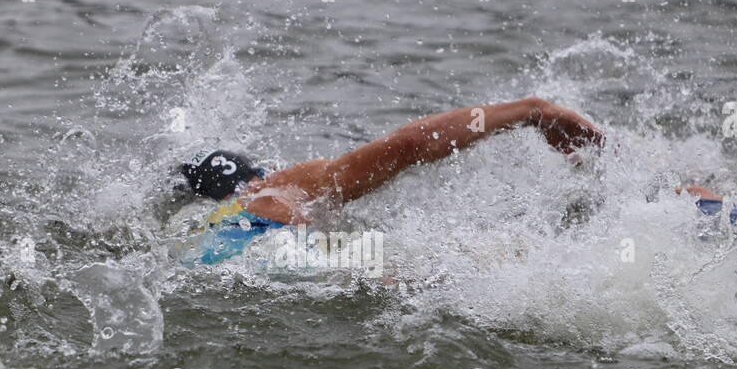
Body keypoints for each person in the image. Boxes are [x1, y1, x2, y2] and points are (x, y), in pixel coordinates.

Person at [171, 97, 606, 265]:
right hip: (296, 259)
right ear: (253, 176)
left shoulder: (194, 236)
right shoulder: (284, 185)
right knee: (489, 259)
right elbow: (409, 144)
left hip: (226, 270)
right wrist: (531, 111)